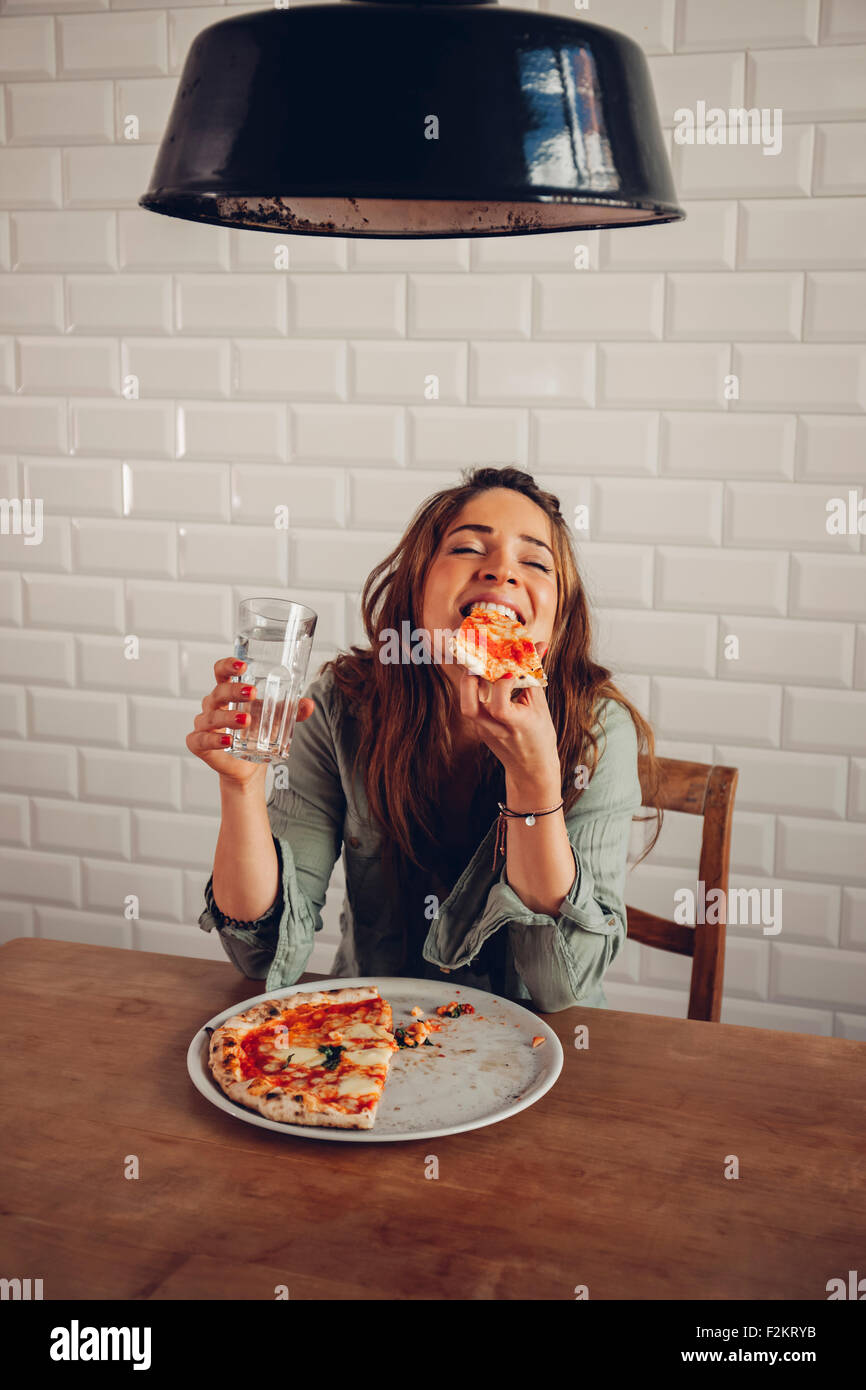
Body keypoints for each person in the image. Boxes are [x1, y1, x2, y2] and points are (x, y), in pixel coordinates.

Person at [190, 466, 660, 1012]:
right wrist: (242, 787)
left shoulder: (595, 731)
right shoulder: (343, 707)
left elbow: (562, 987)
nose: (502, 571)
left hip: (543, 1052)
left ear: (555, 623)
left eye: (534, 562)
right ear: (417, 587)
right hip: (370, 1042)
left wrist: (534, 782)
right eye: (467, 548)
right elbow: (263, 956)